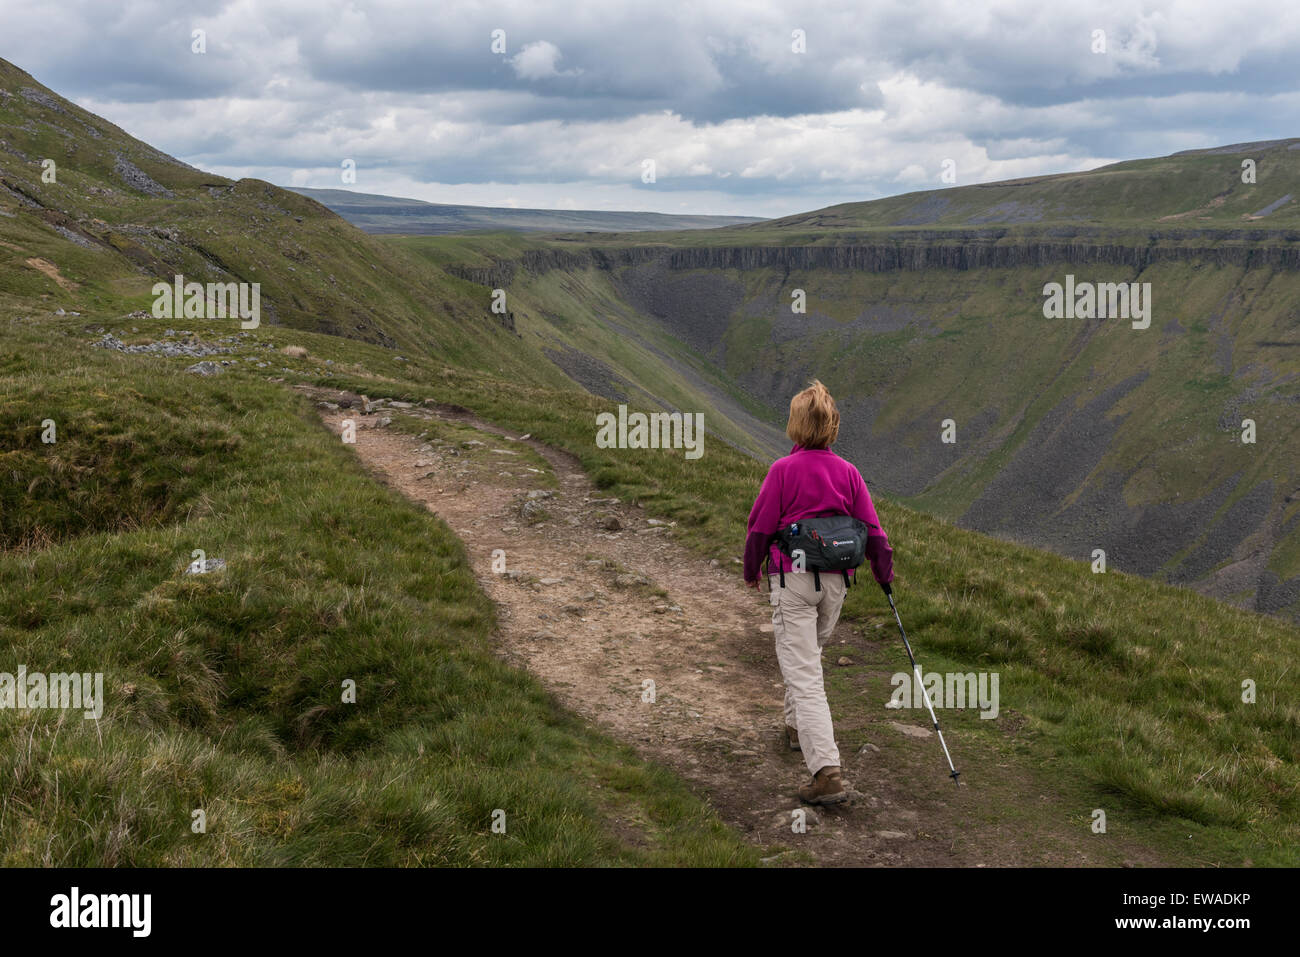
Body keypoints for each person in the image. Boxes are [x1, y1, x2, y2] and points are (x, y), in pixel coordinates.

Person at [743, 380, 894, 805]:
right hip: (836, 584)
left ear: (796, 425)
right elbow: (876, 535)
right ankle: (796, 729)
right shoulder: (848, 473)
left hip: (793, 580)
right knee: (807, 660)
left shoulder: (782, 471)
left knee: (804, 673)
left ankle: (826, 772)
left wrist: (751, 570)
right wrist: (884, 576)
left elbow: (759, 527)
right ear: (832, 426)